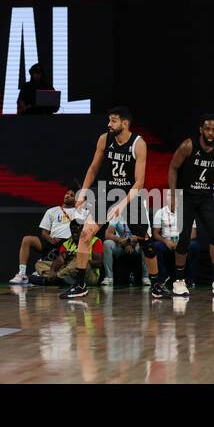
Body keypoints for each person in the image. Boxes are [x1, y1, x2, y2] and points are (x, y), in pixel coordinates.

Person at [60, 106, 168, 300]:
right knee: (85, 234)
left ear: (125, 124)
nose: (109, 124)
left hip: (130, 194)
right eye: (109, 120)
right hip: (107, 192)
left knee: (146, 242)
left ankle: (156, 284)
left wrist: (123, 203)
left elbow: (139, 182)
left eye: (114, 121)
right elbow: (93, 168)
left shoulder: (138, 144)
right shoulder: (105, 138)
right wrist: (84, 190)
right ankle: (80, 284)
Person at [166, 114, 214, 297]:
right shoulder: (188, 146)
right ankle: (179, 281)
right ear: (201, 130)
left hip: (205, 197)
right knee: (184, 237)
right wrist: (172, 195)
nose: (210, 133)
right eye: (207, 129)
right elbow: (172, 168)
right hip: (186, 197)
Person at [9, 188, 79, 285]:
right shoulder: (52, 211)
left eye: (71, 195)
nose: (67, 196)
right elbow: (44, 232)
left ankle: (53, 276)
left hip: (69, 243)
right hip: (53, 240)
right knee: (27, 239)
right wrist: (51, 239)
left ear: (76, 200)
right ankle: (22, 274)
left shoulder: (79, 211)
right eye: (67, 193)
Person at [150, 191, 181, 284]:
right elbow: (155, 234)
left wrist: (180, 242)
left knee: (194, 246)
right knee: (155, 246)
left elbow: (193, 233)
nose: (169, 198)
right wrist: (166, 241)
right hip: (166, 241)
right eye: (167, 195)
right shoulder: (160, 212)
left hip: (182, 241)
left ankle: (190, 279)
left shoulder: (186, 211)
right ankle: (164, 276)